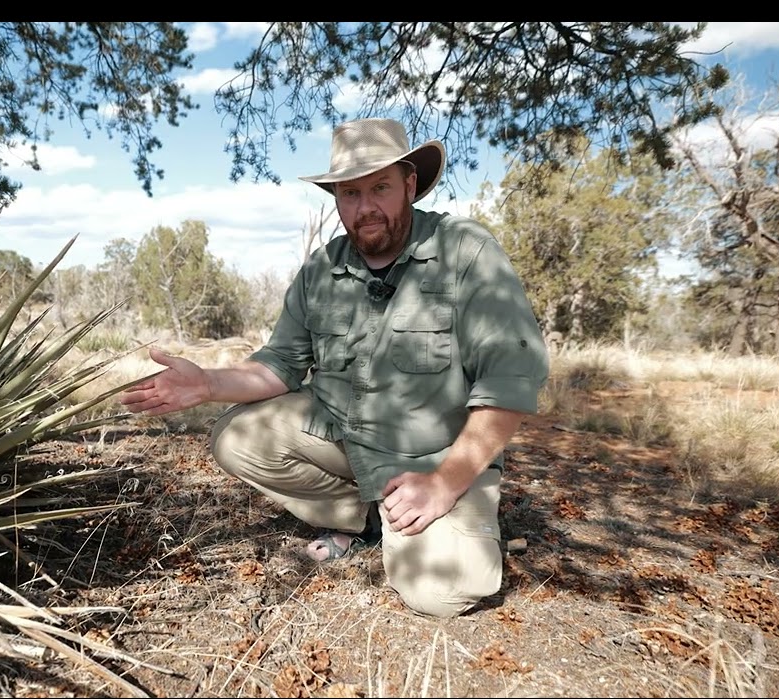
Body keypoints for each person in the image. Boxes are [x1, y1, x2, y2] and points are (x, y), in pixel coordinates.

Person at [118, 117, 549, 618]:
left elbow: (511, 377)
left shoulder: (465, 250)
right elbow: (280, 365)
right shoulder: (321, 269)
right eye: (350, 193)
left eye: (380, 187)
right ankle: (367, 521)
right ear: (336, 198)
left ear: (410, 185)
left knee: (442, 594)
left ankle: (426, 522)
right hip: (348, 441)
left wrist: (445, 482)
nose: (365, 208)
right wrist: (208, 383)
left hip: (437, 459)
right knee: (234, 437)